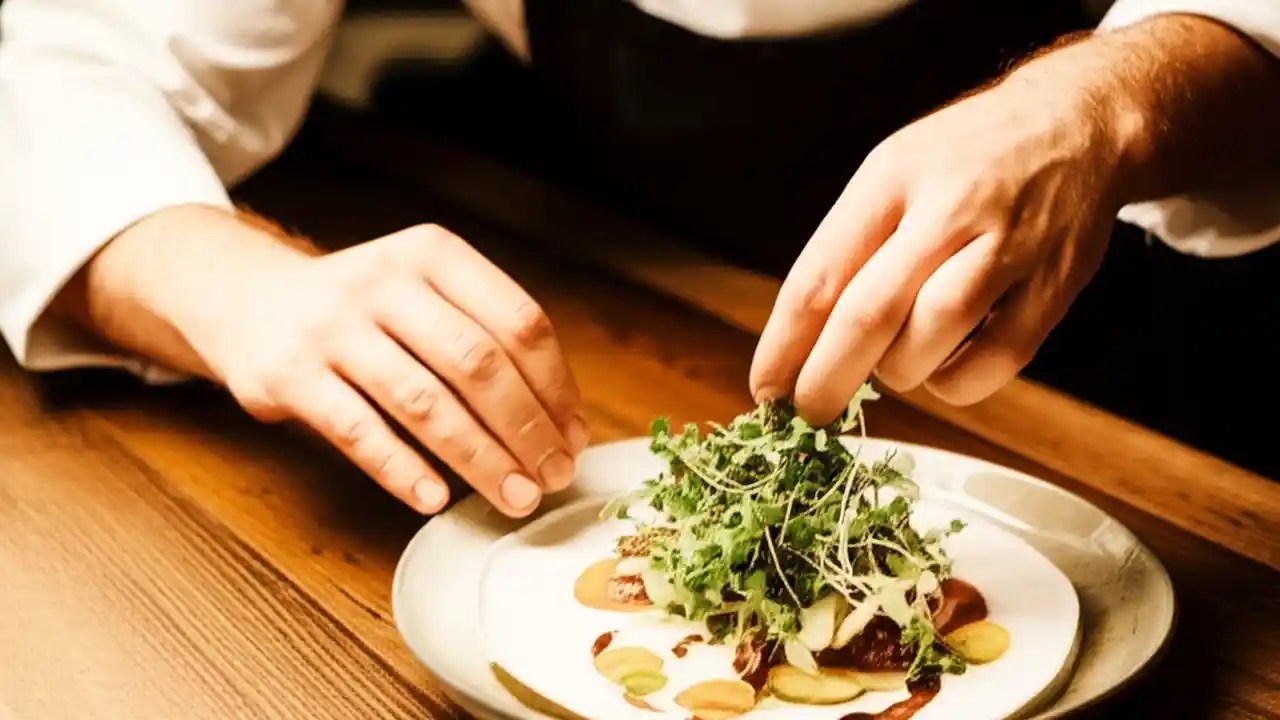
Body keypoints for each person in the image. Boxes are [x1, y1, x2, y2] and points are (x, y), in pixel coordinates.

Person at [0, 1, 1276, 523]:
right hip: (616, 289)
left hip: (1161, 351)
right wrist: (238, 290)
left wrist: (1110, 103)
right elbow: (65, 62)